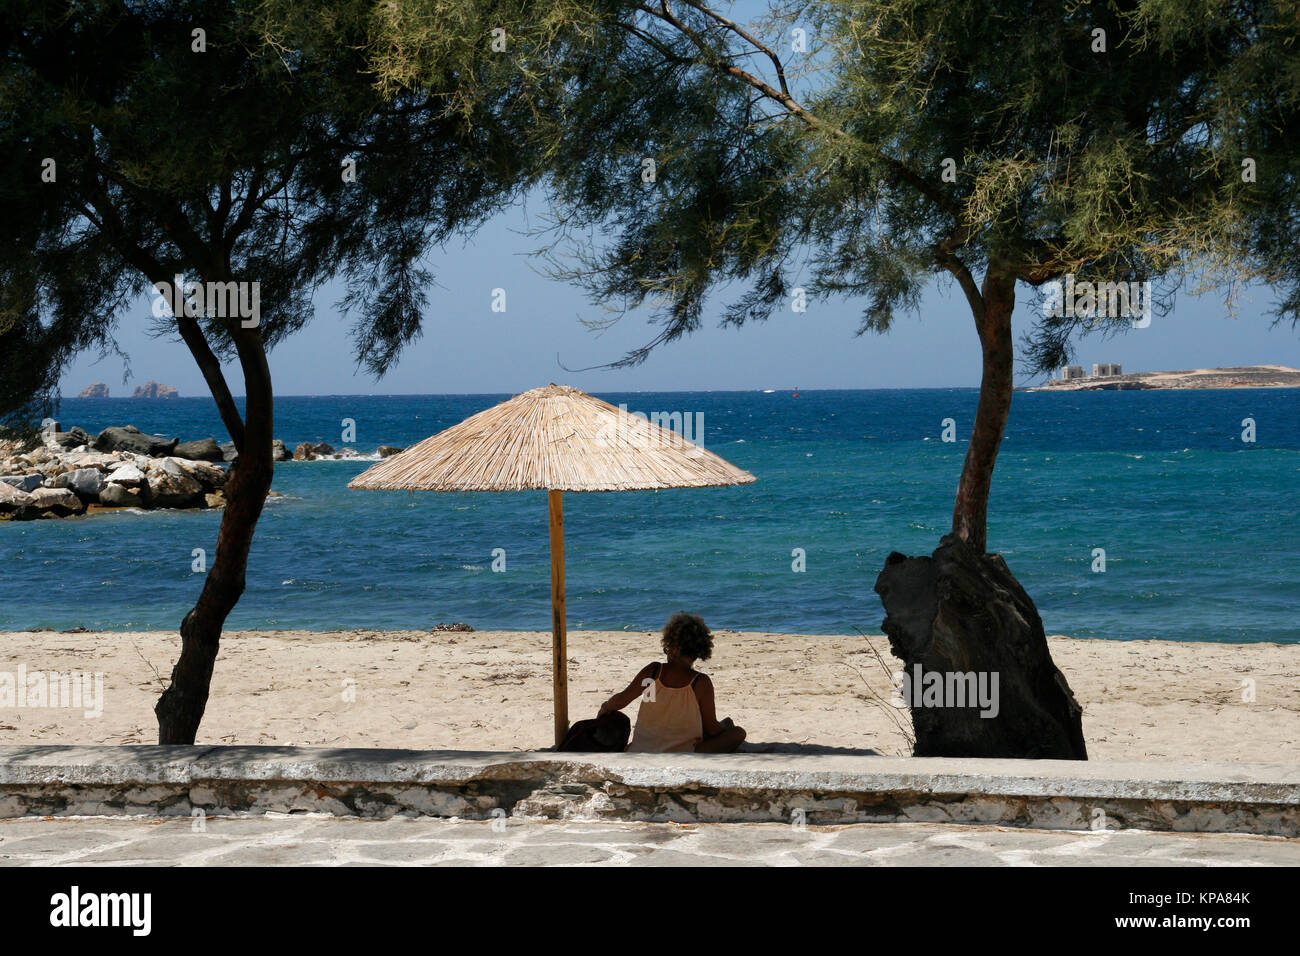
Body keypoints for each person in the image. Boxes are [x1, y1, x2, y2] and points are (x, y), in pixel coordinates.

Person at [598, 612, 746, 753]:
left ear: (674, 649)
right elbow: (712, 728)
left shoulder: (653, 672)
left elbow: (622, 700)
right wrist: (726, 731)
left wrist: (606, 707)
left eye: (666, 648)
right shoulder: (700, 682)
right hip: (684, 752)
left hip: (643, 749)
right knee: (738, 733)